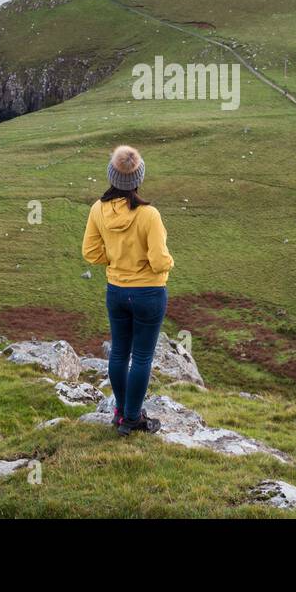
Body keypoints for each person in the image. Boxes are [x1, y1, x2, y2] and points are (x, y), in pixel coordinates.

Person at [82, 145, 174, 435]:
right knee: (143, 356)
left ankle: (120, 412)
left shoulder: (98, 209)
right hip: (148, 293)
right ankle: (133, 418)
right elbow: (159, 262)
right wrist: (169, 262)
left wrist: (116, 259)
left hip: (116, 291)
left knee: (119, 352)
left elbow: (90, 252)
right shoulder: (149, 215)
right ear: (139, 178)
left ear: (112, 176)